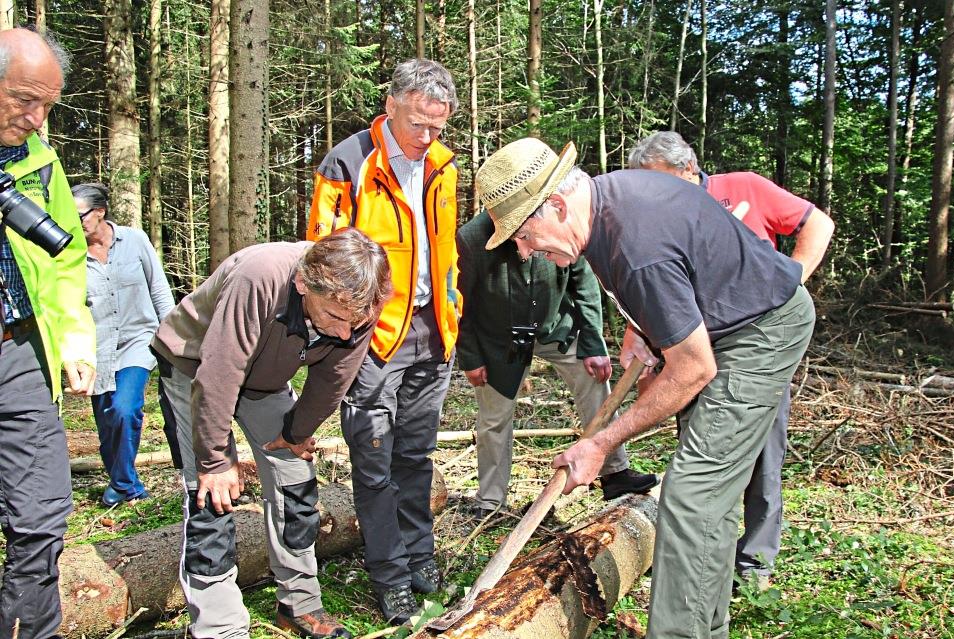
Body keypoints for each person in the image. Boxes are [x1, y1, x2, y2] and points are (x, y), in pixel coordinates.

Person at [475, 138, 816, 639]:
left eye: (525, 234)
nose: (526, 251)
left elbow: (693, 368)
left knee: (694, 494)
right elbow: (681, 277)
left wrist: (601, 443)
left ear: (558, 205)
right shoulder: (607, 208)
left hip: (759, 333)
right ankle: (706, 625)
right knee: (709, 496)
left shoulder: (633, 243)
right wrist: (645, 331)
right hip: (724, 324)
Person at [152, 229, 391, 639]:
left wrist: (297, 433)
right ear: (303, 284)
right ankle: (219, 627)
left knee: (296, 485)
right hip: (196, 366)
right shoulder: (259, 276)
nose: (347, 334)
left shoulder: (357, 300)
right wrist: (215, 460)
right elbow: (220, 370)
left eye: (358, 323)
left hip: (266, 380)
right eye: (335, 318)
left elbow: (334, 378)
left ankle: (299, 605)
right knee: (215, 497)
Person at [628, 131, 834, 587]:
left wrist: (793, 278)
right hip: (696, 348)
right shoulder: (660, 216)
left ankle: (755, 560)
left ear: (688, 169)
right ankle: (701, 556)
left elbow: (818, 223)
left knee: (763, 453)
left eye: (661, 183)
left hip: (758, 345)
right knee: (699, 453)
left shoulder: (744, 188)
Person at [306, 58, 461, 624]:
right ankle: (390, 575)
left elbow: (446, 252)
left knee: (415, 457)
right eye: (418, 124)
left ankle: (421, 558)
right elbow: (322, 257)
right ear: (391, 104)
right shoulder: (348, 163)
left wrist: (452, 309)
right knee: (374, 460)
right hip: (371, 337)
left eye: (437, 127)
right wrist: (351, 328)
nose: (426, 138)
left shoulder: (443, 167)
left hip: (433, 330)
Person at [456, 211, 657, 517]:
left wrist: (592, 343)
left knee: (595, 378)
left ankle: (614, 472)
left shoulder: (556, 222)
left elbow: (585, 284)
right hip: (498, 340)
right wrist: (471, 357)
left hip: (555, 327)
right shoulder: (470, 239)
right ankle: (490, 502)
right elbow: (458, 304)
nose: (527, 252)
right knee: (494, 418)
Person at [0, 28, 96, 639]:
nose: (36, 120)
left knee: (41, 515)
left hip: (17, 347)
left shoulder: (38, 159)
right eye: (21, 102)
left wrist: (74, 341)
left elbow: (65, 256)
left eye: (46, 107)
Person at [73, 182, 175, 507]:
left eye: (80, 215)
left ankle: (124, 484)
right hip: (96, 349)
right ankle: (122, 481)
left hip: (138, 340)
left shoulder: (135, 240)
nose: (74, 223)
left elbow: (158, 288)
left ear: (100, 211)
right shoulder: (70, 256)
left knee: (124, 408)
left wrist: (175, 336)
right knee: (106, 424)